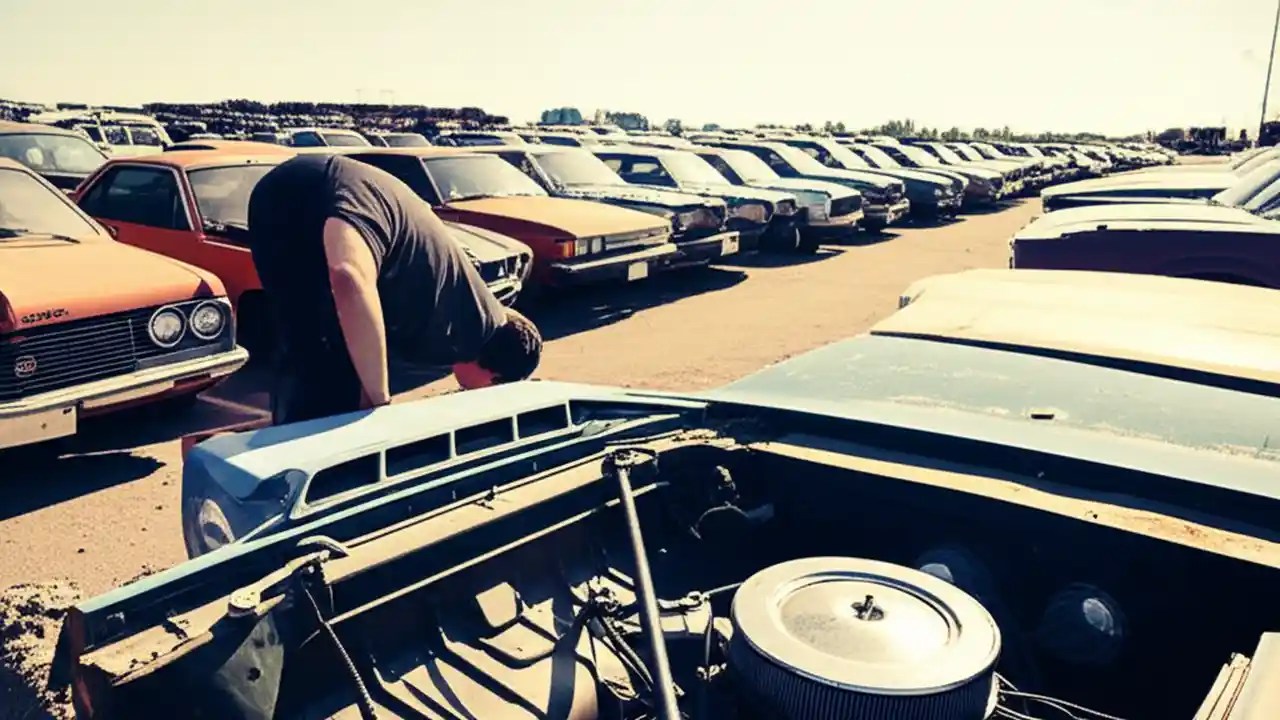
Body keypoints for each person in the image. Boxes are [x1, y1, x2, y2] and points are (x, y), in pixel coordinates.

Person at [246, 153, 542, 425]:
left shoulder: (470, 306)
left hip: (288, 195)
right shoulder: (467, 330)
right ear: (494, 378)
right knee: (327, 378)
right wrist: (378, 402)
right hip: (325, 192)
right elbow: (348, 276)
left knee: (314, 354)